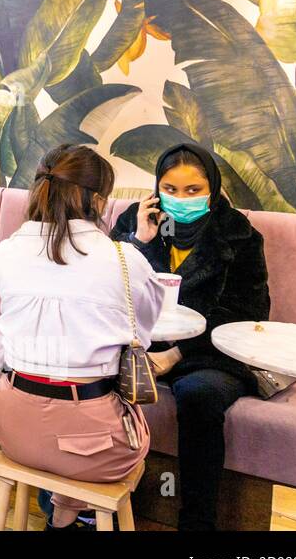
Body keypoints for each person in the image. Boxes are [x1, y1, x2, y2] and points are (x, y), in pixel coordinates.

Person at [0, 143, 162, 530]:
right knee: (105, 431)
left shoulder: (3, 253)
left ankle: (62, 520)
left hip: (10, 428)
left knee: (62, 427)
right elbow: (142, 335)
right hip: (94, 445)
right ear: (98, 200)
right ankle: (66, 519)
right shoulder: (125, 259)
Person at [111, 141, 270, 531]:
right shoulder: (137, 221)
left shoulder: (240, 236)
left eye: (193, 190)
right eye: (171, 189)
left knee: (199, 394)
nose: (180, 199)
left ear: (212, 190)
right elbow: (105, 286)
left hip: (211, 354)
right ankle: (102, 510)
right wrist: (139, 243)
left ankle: (197, 523)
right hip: (142, 345)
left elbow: (246, 313)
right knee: (100, 377)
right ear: (157, 188)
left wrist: (175, 355)